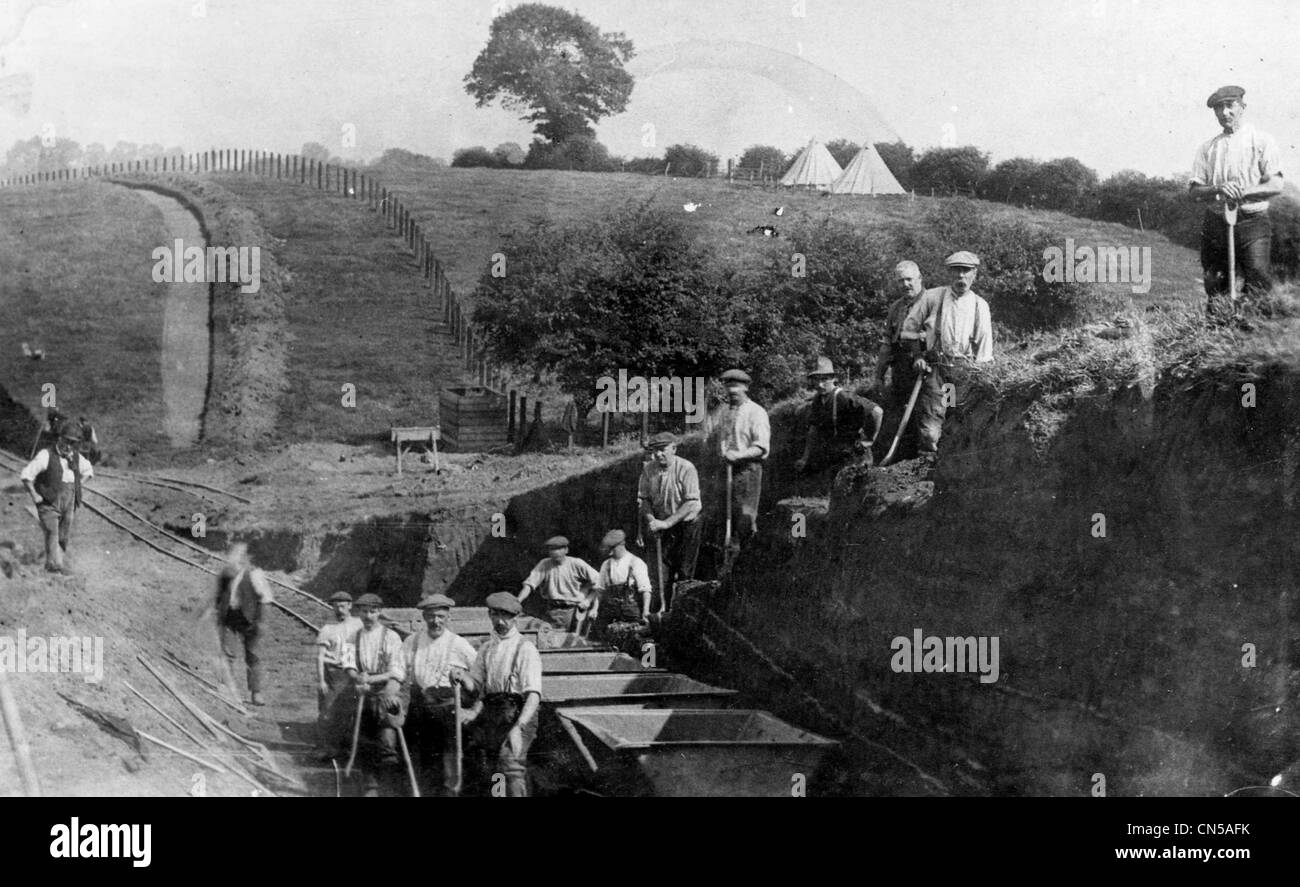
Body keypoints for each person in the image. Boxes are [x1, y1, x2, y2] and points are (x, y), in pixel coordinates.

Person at [1188, 85, 1285, 321]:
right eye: (1218, 108)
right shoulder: (1207, 148)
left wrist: (1244, 192)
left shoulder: (1261, 141)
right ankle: (1217, 335)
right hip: (1216, 223)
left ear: (1242, 107)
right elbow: (1193, 191)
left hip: (1253, 221)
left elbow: (1275, 184)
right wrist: (1218, 188)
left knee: (1258, 276)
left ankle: (1257, 333)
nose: (1224, 113)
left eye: (1230, 106)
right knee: (1215, 281)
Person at [900, 252, 994, 461]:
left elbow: (985, 351)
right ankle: (925, 469)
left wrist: (977, 378)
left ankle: (952, 468)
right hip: (936, 370)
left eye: (966, 271)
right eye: (956, 271)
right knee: (931, 428)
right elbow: (909, 328)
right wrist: (917, 356)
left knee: (958, 420)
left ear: (975, 274)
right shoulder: (932, 297)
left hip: (964, 373)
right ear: (949, 273)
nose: (961, 276)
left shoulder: (980, 305)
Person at [458, 591, 542, 798]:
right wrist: (461, 676)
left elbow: (533, 695)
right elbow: (476, 686)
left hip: (519, 714)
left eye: (506, 616)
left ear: (515, 618)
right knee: (493, 767)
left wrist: (518, 727)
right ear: (490, 615)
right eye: (496, 615)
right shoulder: (487, 648)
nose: (501, 621)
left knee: (510, 765)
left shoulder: (525, 649)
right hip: (492, 714)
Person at [401, 593, 477, 797]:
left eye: (441, 616)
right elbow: (398, 671)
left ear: (448, 618)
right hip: (418, 707)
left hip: (447, 709)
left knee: (449, 759)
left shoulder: (459, 644)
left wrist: (463, 675)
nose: (436, 621)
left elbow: (478, 677)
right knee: (419, 757)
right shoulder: (412, 641)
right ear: (424, 617)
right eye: (432, 616)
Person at [706, 368, 771, 551]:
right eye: (729, 390)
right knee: (726, 518)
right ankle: (728, 561)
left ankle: (746, 559)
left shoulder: (756, 412)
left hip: (747, 470)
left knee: (744, 517)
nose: (732, 395)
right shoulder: (725, 412)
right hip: (726, 471)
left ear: (745, 389)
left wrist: (739, 455)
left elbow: (761, 447)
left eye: (736, 390)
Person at [637, 431, 702, 605]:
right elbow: (644, 500)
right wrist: (653, 521)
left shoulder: (686, 468)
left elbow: (690, 502)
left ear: (673, 448)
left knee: (684, 573)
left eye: (662, 449)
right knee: (661, 574)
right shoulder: (648, 469)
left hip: (687, 525)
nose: (658, 454)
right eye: (655, 451)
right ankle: (662, 613)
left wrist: (666, 523)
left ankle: (682, 614)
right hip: (661, 525)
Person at [19, 419, 93, 574]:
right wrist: (34, 495)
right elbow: (26, 475)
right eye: (67, 441)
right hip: (48, 502)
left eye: (73, 443)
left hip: (69, 503)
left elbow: (89, 471)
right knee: (53, 532)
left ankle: (51, 563)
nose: (69, 446)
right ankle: (57, 566)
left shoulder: (76, 457)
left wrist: (77, 486)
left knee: (63, 536)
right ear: (60, 438)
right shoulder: (46, 455)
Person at [351, 593, 407, 796]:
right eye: (364, 611)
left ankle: (389, 789)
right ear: (359, 613)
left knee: (387, 745)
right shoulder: (355, 636)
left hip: (386, 695)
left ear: (379, 612)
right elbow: (349, 663)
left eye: (372, 611)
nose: (368, 616)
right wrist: (357, 679)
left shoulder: (390, 637)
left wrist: (371, 680)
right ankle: (371, 788)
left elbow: (396, 672)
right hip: (364, 696)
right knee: (365, 743)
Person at [873, 261, 927, 456]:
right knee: (898, 412)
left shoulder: (932, 303)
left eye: (909, 279)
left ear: (920, 279)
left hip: (927, 368)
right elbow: (887, 343)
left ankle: (926, 457)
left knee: (928, 413)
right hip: (901, 369)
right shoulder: (896, 308)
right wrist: (879, 375)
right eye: (901, 281)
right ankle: (900, 458)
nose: (905, 284)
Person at [794, 357, 882, 475]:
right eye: (816, 380)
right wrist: (805, 458)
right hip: (835, 456)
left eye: (824, 379)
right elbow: (813, 430)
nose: (820, 384)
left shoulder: (844, 397)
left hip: (855, 455)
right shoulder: (817, 400)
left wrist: (868, 441)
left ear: (833, 379)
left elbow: (877, 412)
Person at [212, 542, 273, 706]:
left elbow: (265, 600)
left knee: (253, 655)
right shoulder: (226, 574)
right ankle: (226, 688)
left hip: (250, 618)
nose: (234, 559)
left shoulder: (255, 574)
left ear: (246, 558)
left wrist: (261, 623)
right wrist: (218, 614)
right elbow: (219, 596)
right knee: (227, 653)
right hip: (230, 618)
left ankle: (256, 692)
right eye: (232, 555)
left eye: (238, 555)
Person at [315, 591, 362, 760]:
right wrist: (321, 681)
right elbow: (320, 657)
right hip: (333, 673)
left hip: (352, 673)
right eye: (336, 606)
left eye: (343, 606)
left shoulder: (359, 624)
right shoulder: (327, 629)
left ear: (350, 606)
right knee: (327, 711)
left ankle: (345, 748)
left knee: (349, 712)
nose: (340, 609)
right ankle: (323, 747)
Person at [517, 536, 600, 631]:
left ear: (566, 550)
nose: (555, 552)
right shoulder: (544, 564)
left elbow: (599, 583)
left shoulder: (576, 563)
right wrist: (518, 600)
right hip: (552, 611)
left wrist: (589, 601)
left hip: (574, 611)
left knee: (571, 642)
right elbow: (529, 584)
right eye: (552, 549)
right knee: (549, 640)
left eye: (559, 549)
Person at [590, 529, 653, 632]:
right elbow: (599, 590)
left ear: (621, 545)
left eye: (612, 549)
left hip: (631, 611)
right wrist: (594, 609)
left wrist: (646, 611)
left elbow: (646, 590)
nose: (609, 553)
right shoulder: (606, 565)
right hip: (610, 611)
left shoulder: (636, 562)